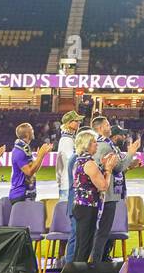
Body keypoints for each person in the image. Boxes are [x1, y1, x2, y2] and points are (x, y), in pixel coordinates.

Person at [91, 117, 140, 263]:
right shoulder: (105, 146)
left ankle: (101, 260)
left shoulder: (106, 145)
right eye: (106, 125)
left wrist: (129, 165)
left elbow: (117, 169)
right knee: (103, 232)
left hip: (109, 192)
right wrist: (131, 152)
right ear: (99, 128)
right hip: (108, 194)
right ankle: (96, 264)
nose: (109, 127)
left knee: (103, 232)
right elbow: (117, 168)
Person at [71, 130, 116, 265]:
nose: (97, 145)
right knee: (85, 246)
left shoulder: (79, 160)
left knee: (80, 244)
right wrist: (108, 170)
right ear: (87, 145)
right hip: (87, 207)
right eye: (94, 142)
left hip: (80, 205)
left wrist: (101, 166)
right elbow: (103, 186)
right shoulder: (89, 163)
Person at [55, 111, 82, 264]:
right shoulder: (67, 140)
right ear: (68, 123)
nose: (78, 124)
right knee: (70, 223)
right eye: (76, 121)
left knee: (70, 223)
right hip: (68, 184)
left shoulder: (68, 138)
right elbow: (74, 160)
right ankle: (63, 258)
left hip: (66, 183)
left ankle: (63, 257)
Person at [7, 123, 52, 206]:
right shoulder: (19, 151)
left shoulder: (24, 148)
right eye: (31, 129)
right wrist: (40, 156)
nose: (33, 131)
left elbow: (33, 170)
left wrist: (40, 157)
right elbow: (29, 172)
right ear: (27, 134)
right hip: (20, 195)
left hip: (26, 193)